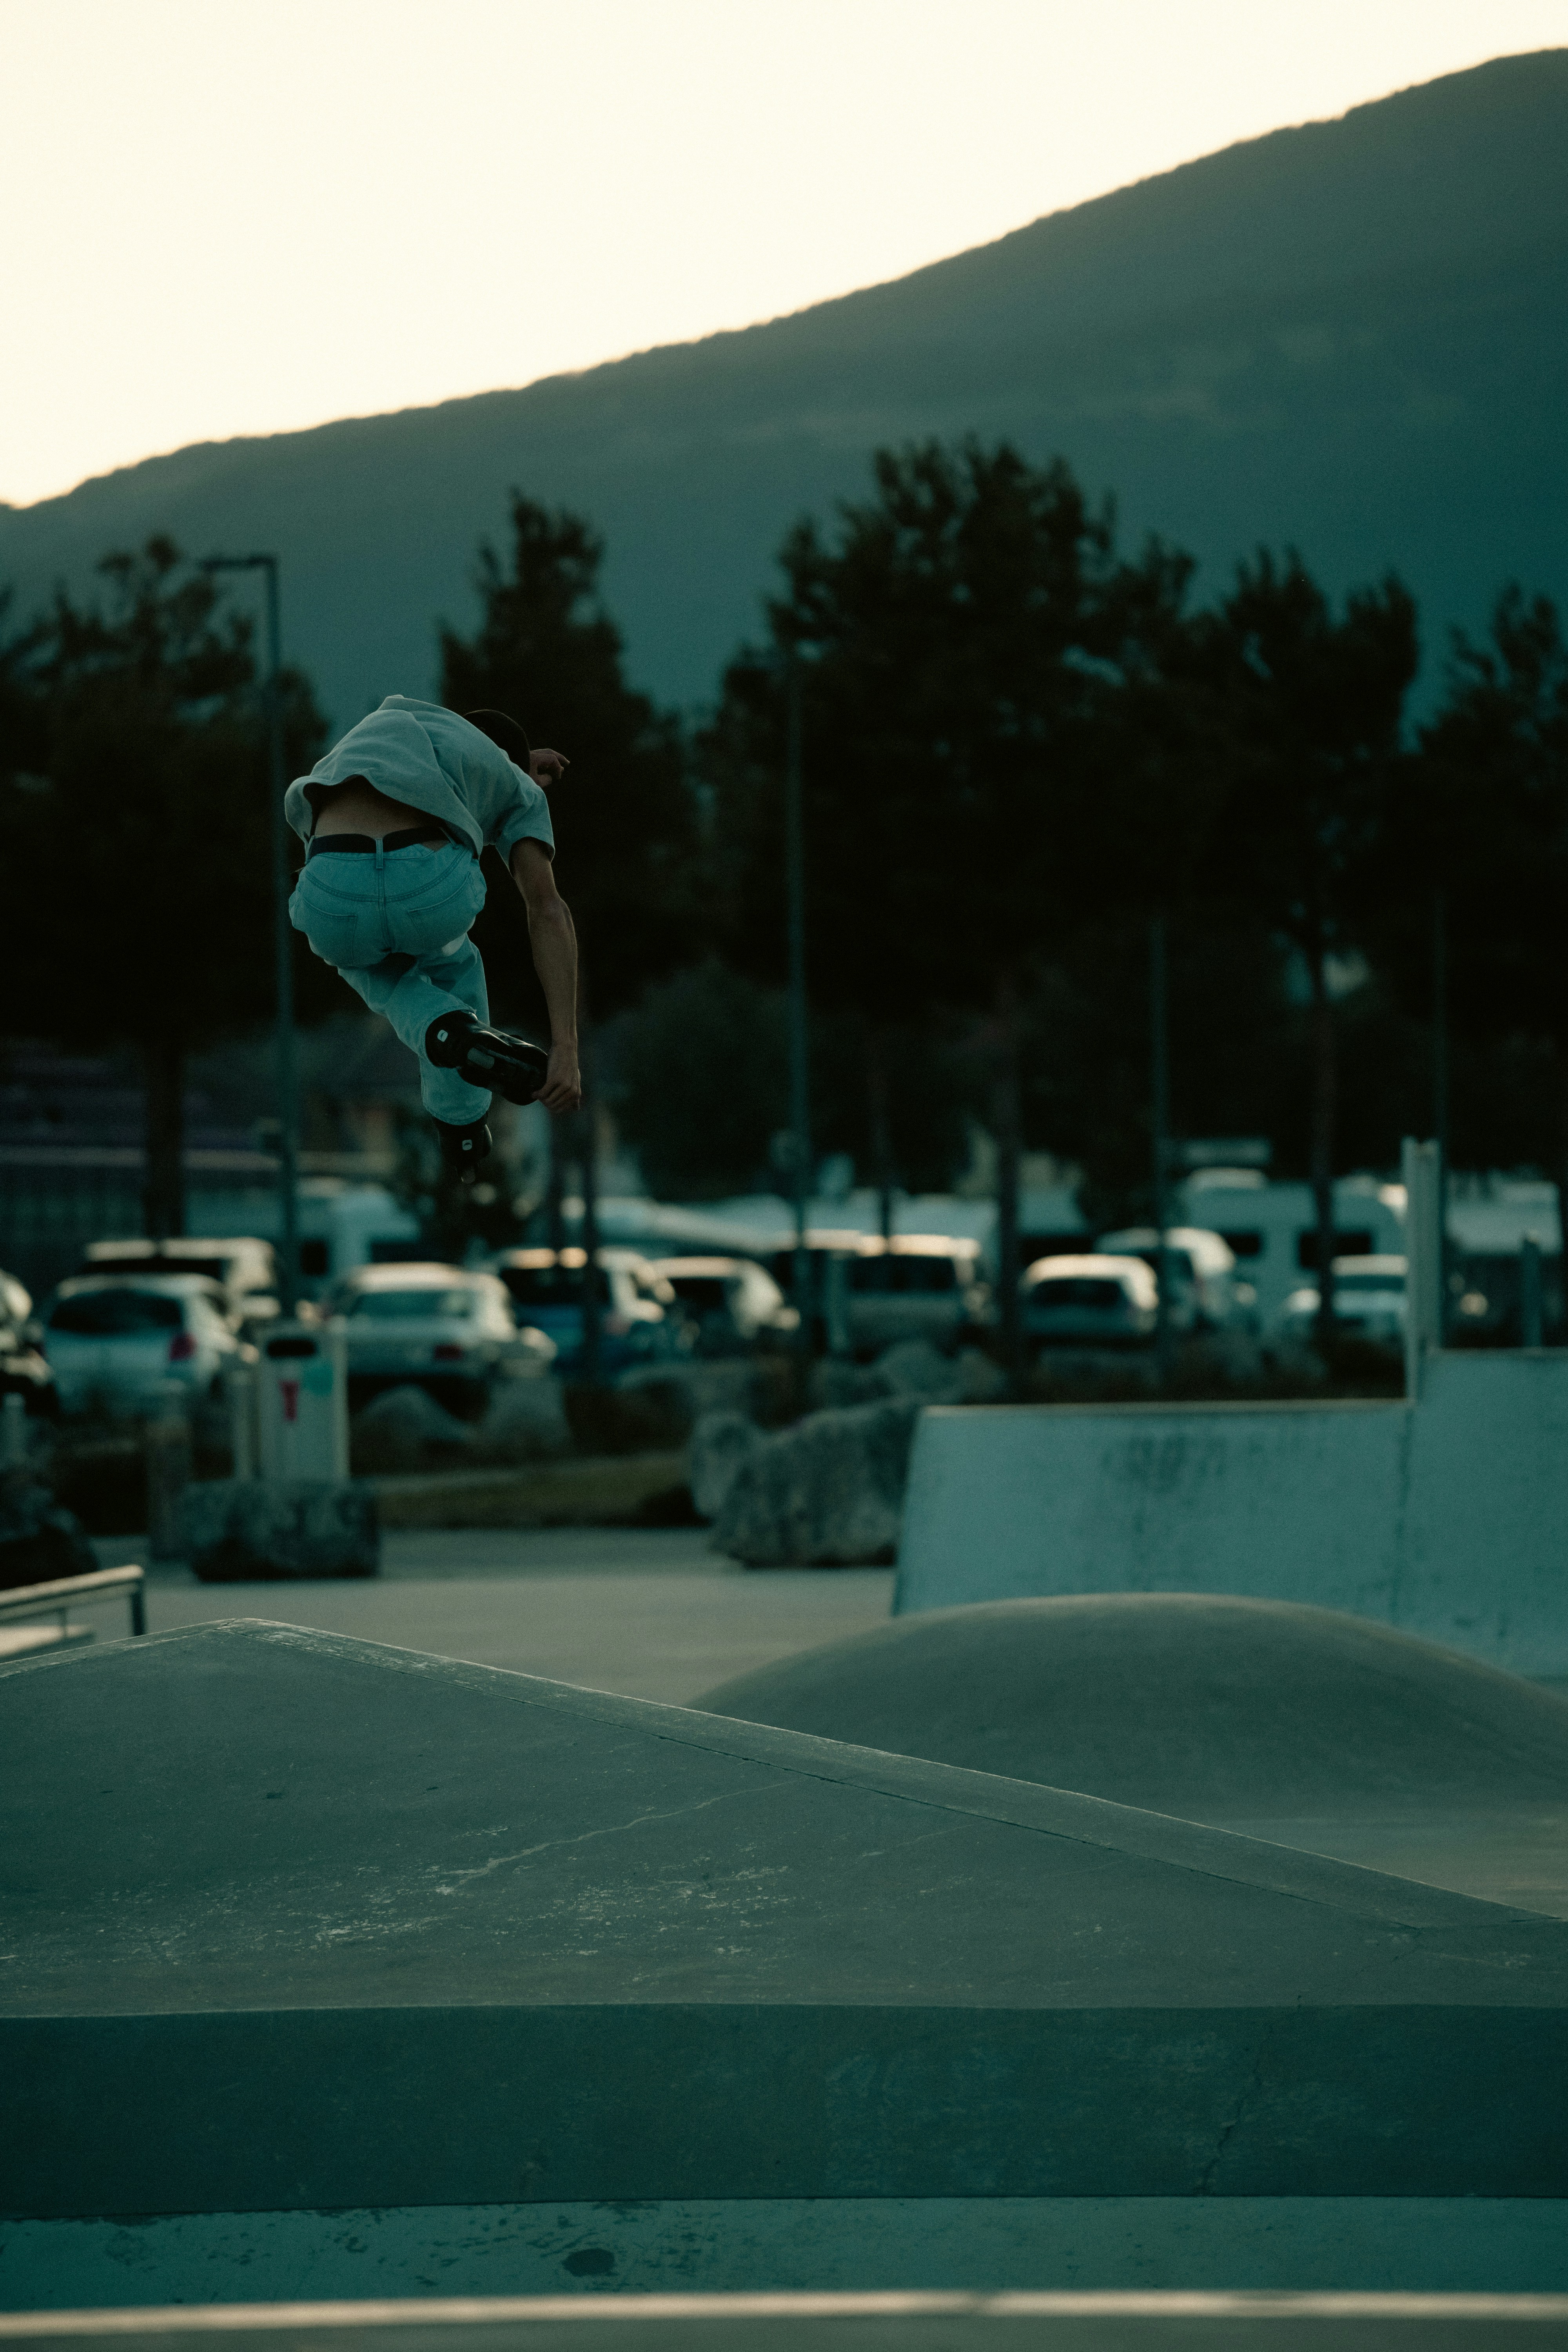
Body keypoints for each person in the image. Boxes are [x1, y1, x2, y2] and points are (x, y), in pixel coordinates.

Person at [285, 696, 582, 1180]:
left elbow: (466, 752)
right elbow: (548, 910)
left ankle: (442, 1030)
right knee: (453, 959)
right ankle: (462, 1128)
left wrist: (518, 760)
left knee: (355, 954)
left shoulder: (388, 726)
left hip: (332, 886)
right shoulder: (514, 785)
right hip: (427, 887)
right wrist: (566, 1047)